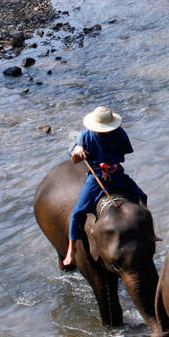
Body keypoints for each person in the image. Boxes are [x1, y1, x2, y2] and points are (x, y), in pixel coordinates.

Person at [64, 106, 147, 267]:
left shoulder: (120, 133)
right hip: (95, 177)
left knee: (142, 196)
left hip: (116, 173)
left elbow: (122, 155)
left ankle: (148, 232)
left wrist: (112, 166)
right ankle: (71, 248)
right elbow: (74, 160)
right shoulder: (84, 136)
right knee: (77, 213)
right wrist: (77, 152)